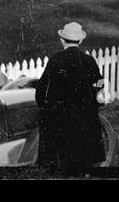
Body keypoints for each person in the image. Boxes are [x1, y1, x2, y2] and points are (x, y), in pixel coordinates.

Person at [34, 22, 106, 172]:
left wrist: (44, 106)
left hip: (60, 118)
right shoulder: (89, 61)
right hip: (84, 116)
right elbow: (99, 83)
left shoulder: (55, 61)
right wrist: (96, 101)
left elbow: (41, 90)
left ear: (62, 40)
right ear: (80, 41)